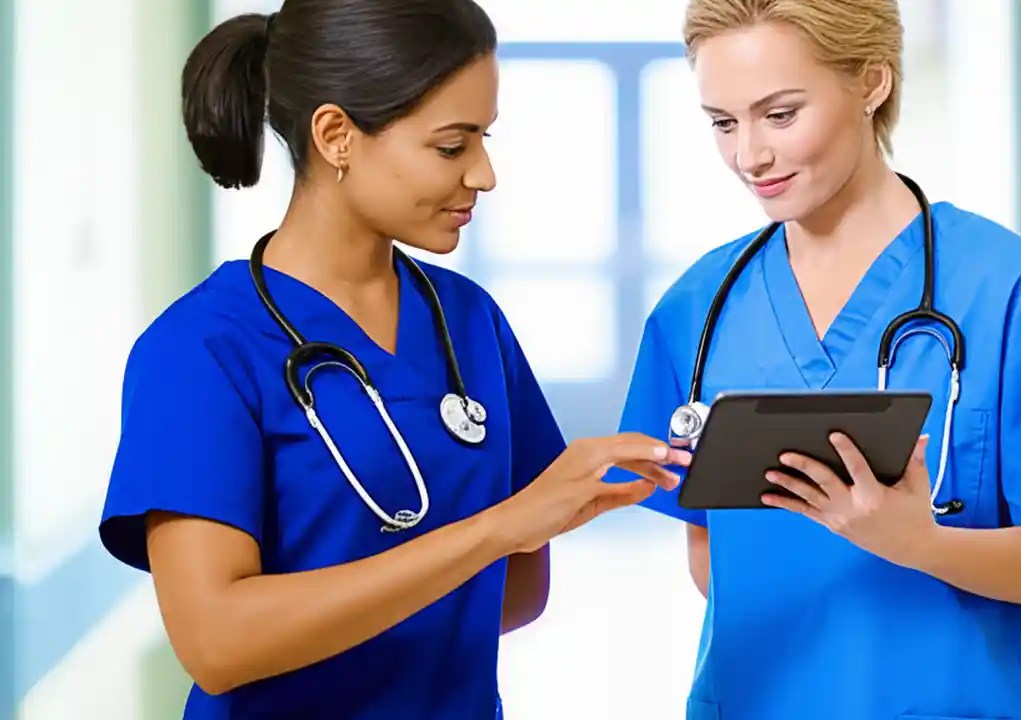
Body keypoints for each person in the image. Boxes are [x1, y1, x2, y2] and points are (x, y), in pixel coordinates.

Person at [97, 1, 689, 717]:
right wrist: (495, 528)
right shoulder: (201, 347)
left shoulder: (470, 322)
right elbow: (216, 644)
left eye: (484, 138)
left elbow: (515, 595)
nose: (485, 174)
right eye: (451, 146)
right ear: (336, 135)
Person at [611, 1, 1021, 718]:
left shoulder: (1005, 286)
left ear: (872, 83)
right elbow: (710, 557)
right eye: (723, 123)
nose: (749, 155)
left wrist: (918, 544)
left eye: (781, 114)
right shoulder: (697, 306)